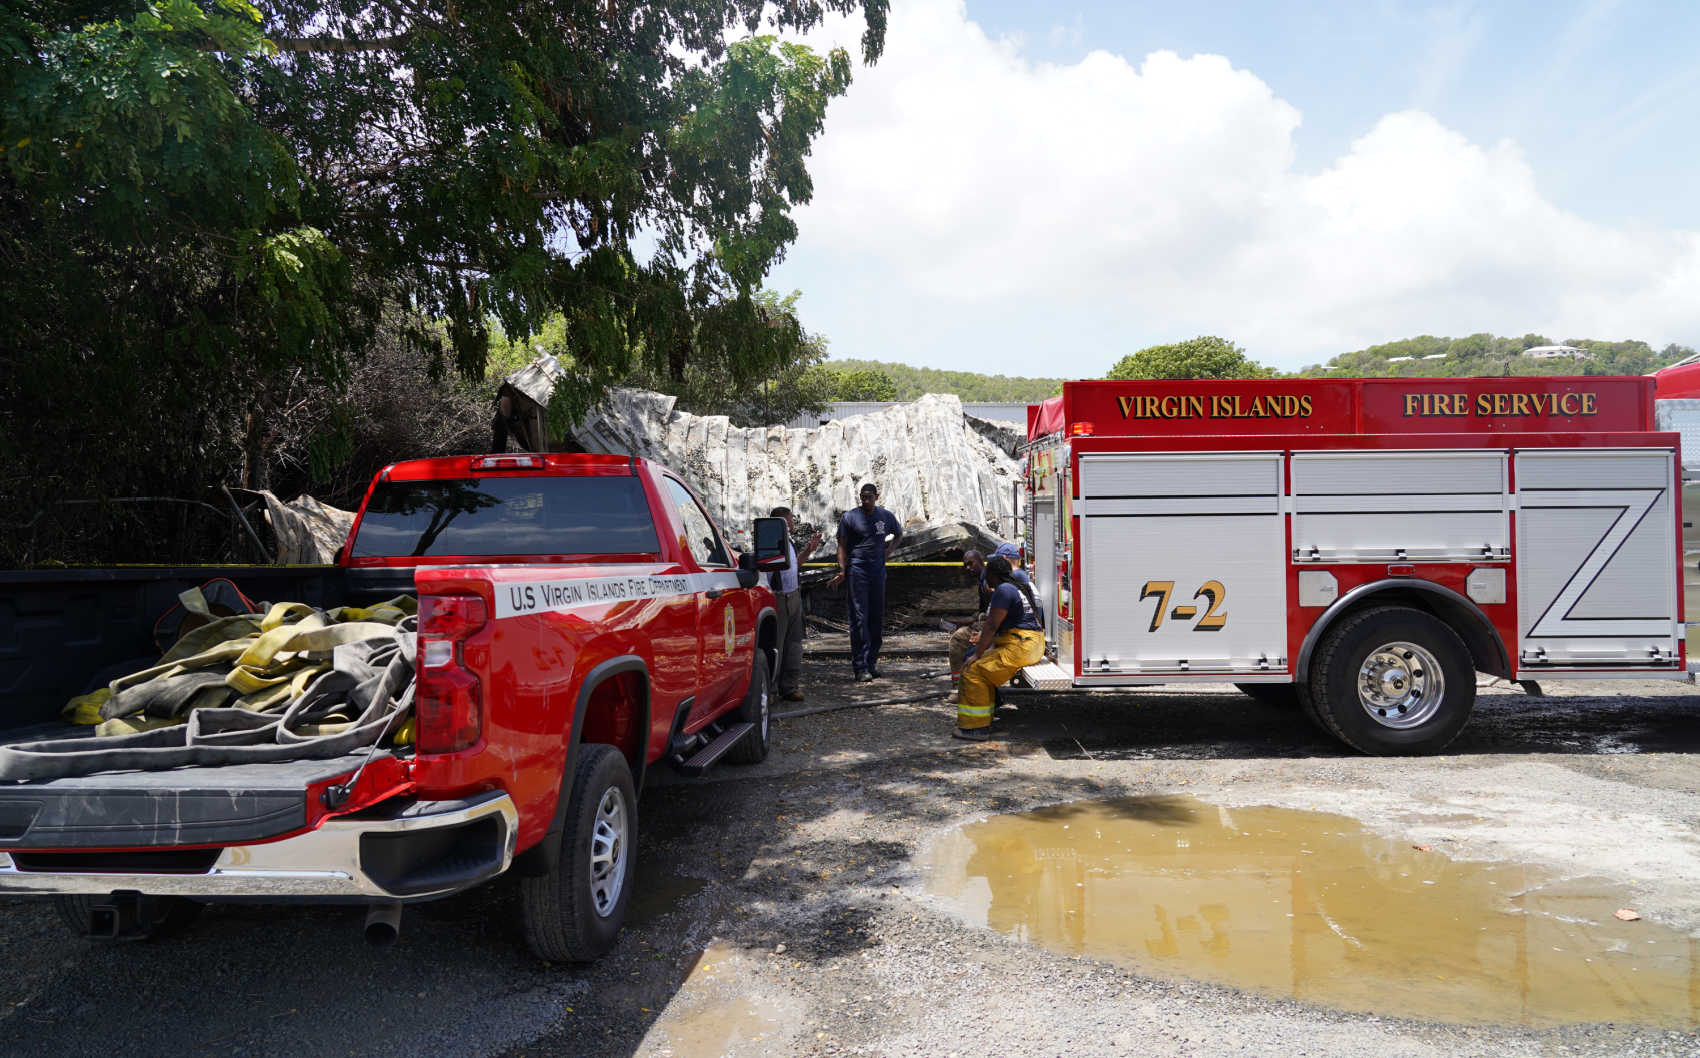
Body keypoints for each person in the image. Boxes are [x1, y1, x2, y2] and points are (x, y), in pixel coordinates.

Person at [954, 555, 1045, 740]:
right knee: (979, 666)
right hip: (1029, 642)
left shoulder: (1003, 590)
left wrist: (978, 653)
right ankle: (986, 714)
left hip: (1023, 646)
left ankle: (974, 728)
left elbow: (991, 626)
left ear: (992, 574)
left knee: (973, 670)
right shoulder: (1017, 586)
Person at [829, 483, 901, 682]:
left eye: (869, 497)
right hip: (858, 570)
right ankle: (860, 667)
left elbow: (898, 533)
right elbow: (841, 546)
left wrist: (889, 550)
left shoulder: (885, 516)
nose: (866, 500)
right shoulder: (850, 517)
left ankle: (871, 663)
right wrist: (842, 570)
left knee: (876, 617)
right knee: (860, 617)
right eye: (863, 497)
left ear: (877, 496)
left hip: (878, 570)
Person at [948, 542, 1027, 680]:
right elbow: (986, 612)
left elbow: (995, 619)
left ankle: (959, 686)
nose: (968, 568)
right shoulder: (1003, 581)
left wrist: (985, 638)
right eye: (965, 566)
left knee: (959, 641)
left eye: (971, 564)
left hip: (1013, 634)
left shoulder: (997, 584)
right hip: (1010, 631)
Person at [768, 506, 822, 703]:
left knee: (794, 644)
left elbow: (795, 566)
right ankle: (771, 689)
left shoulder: (789, 542)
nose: (792, 523)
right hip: (778, 597)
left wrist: (809, 550)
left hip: (793, 595)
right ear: (781, 521)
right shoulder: (771, 542)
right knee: (776, 645)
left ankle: (789, 687)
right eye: (790, 520)